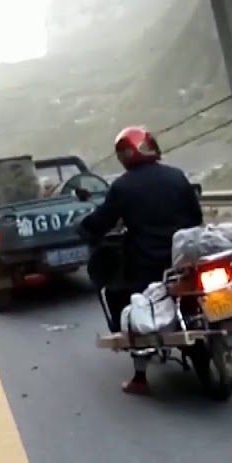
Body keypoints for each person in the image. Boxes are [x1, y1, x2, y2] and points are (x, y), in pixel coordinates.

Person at [78, 126, 204, 396]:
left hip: (150, 264)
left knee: (122, 298)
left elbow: (102, 221)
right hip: (187, 257)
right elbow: (196, 217)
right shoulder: (177, 176)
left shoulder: (123, 187)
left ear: (124, 155)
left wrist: (85, 228)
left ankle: (140, 376)